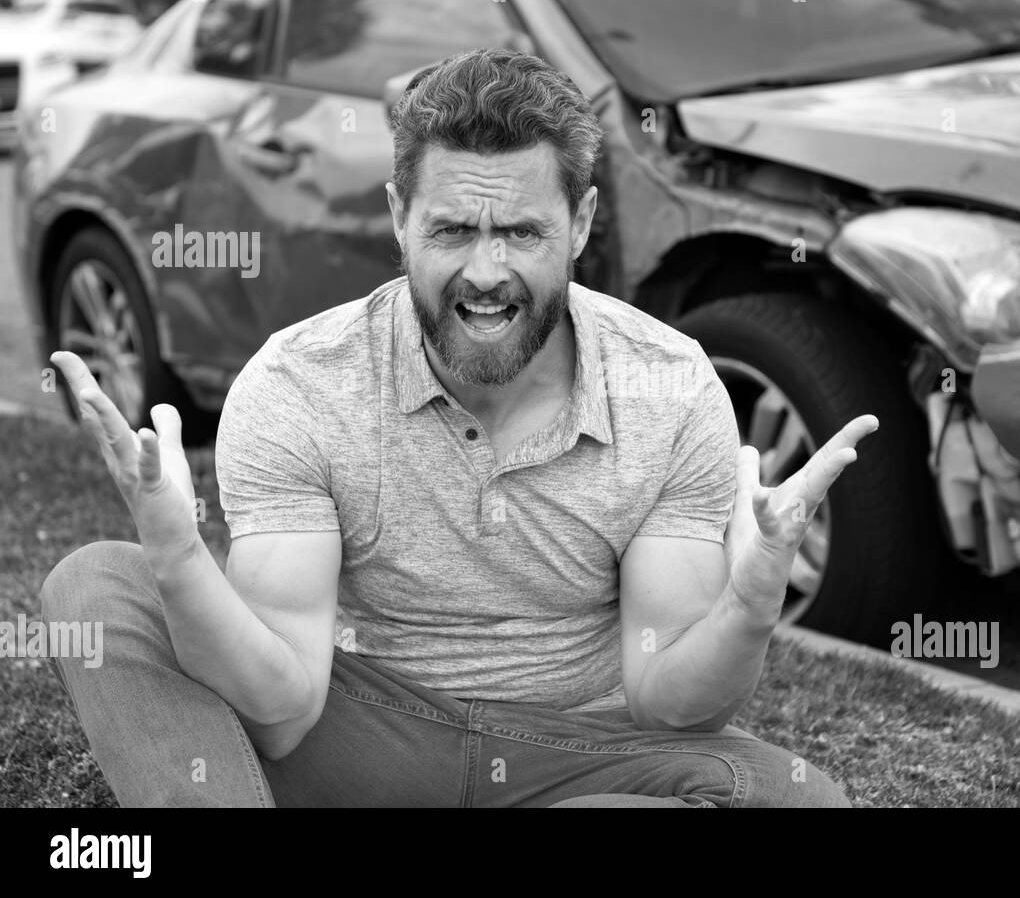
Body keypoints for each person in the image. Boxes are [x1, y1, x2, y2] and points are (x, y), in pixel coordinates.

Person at [41, 48, 877, 807]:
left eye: (521, 231)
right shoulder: (299, 383)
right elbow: (286, 707)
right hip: (359, 732)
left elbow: (668, 697)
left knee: (794, 797)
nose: (486, 272)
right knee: (101, 585)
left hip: (576, 756)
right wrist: (180, 559)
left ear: (580, 223)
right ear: (401, 215)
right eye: (452, 230)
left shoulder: (669, 385)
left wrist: (756, 597)